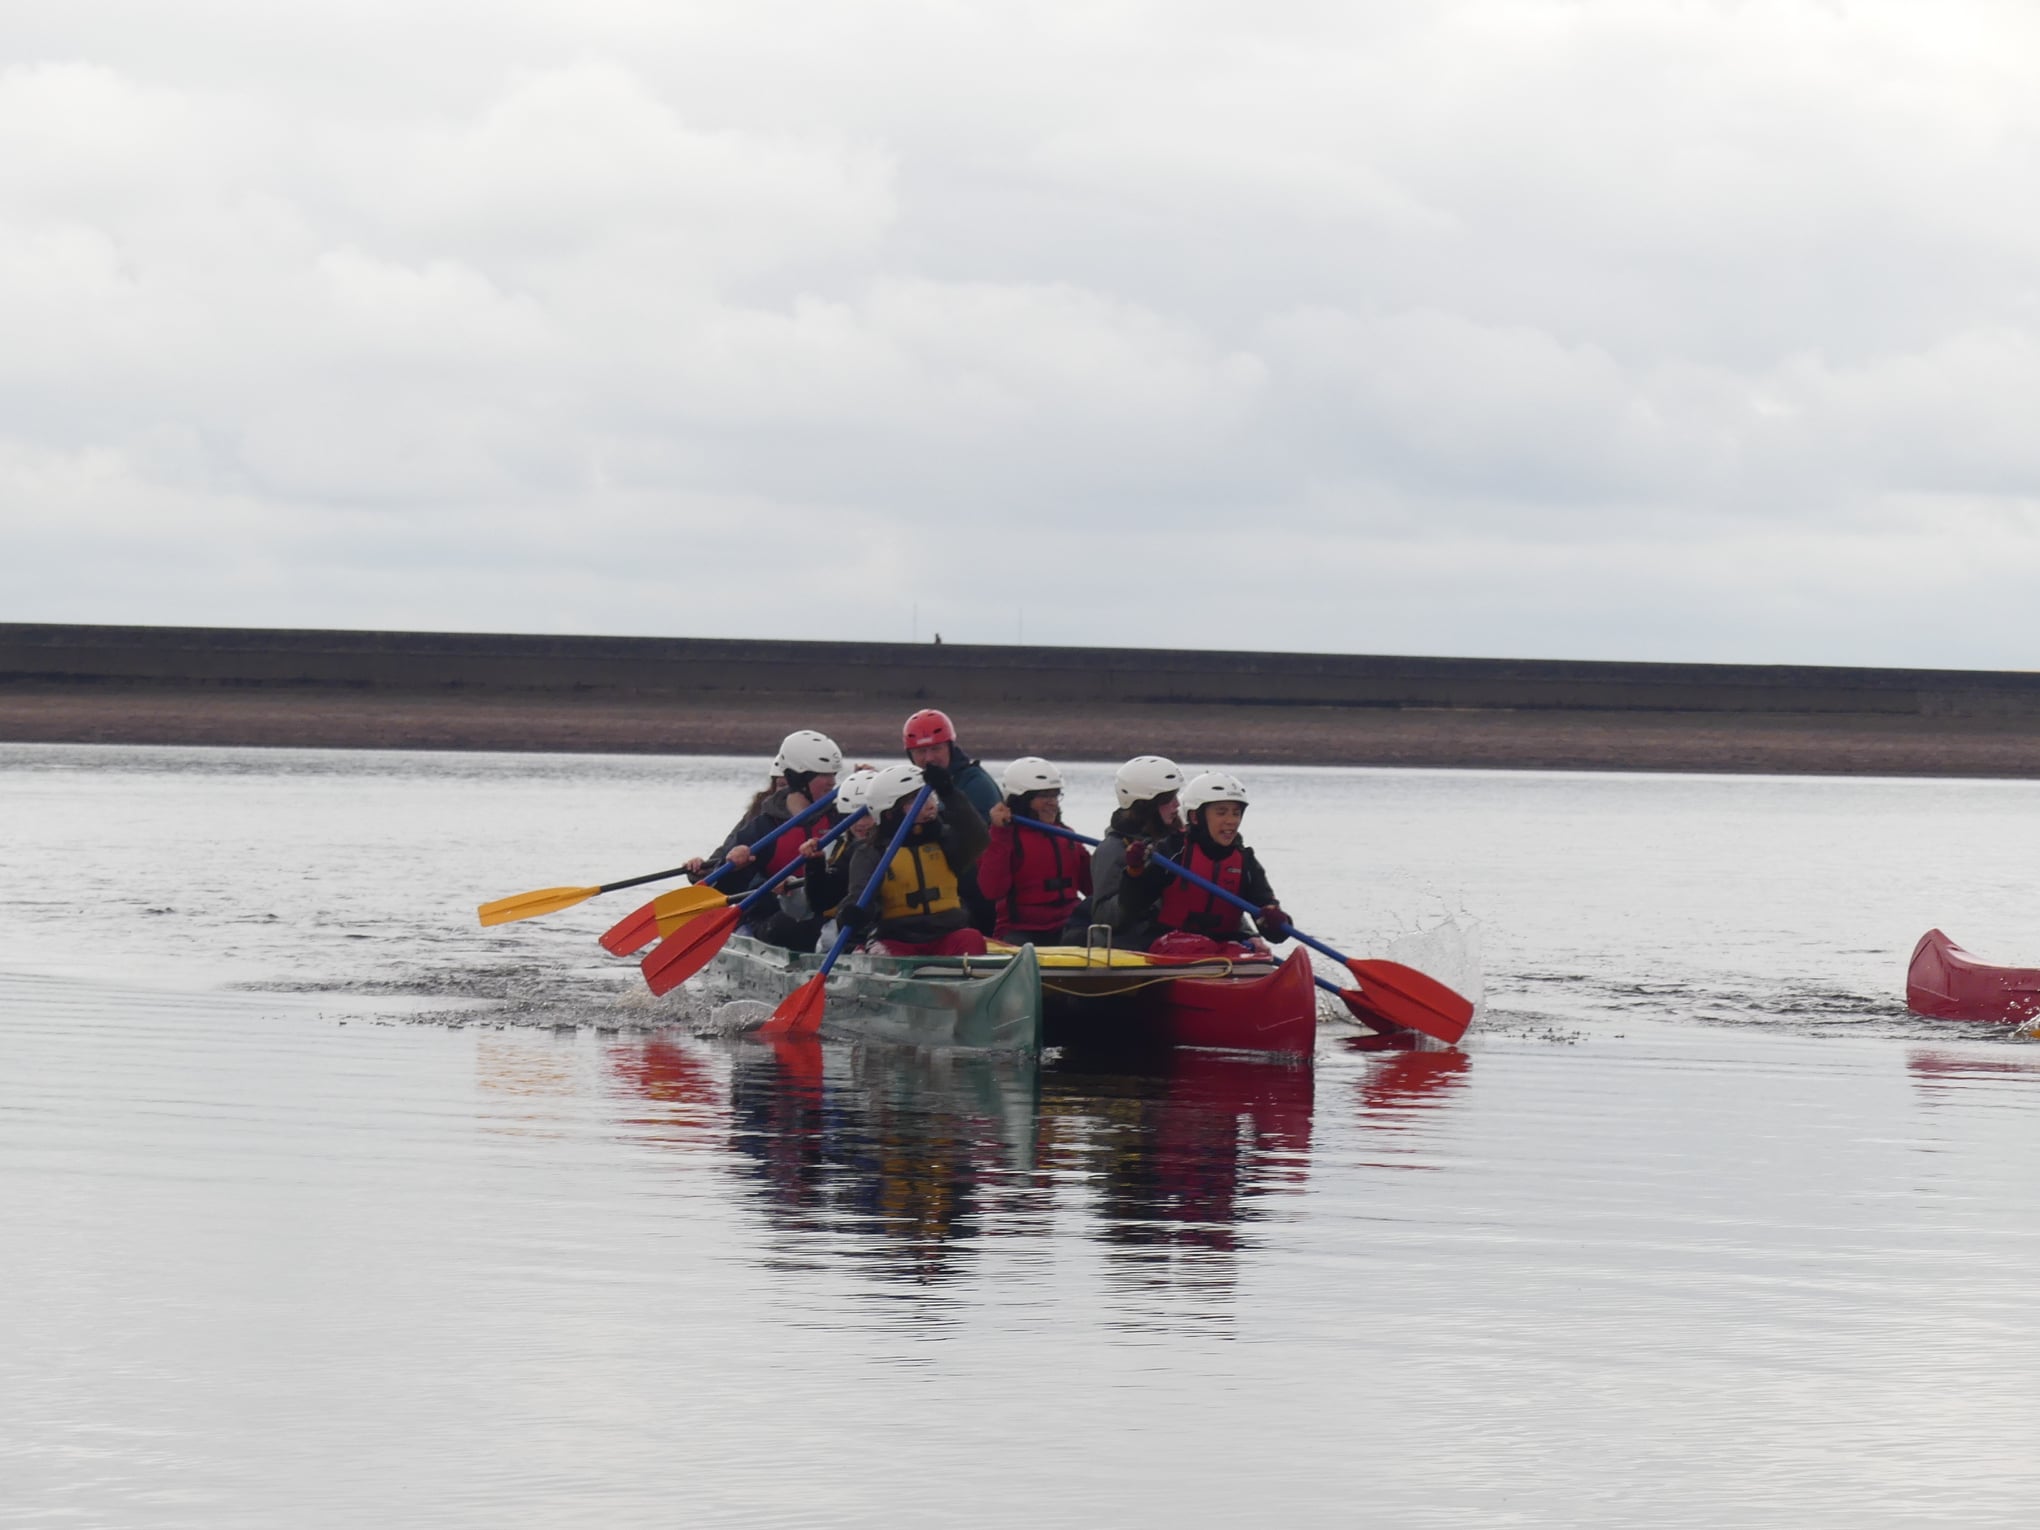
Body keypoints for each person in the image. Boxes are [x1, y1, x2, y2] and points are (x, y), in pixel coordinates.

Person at [687, 729, 843, 919]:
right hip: (776, 916)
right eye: (824, 775)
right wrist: (736, 867)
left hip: (833, 913)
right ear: (800, 778)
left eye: (833, 775)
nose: (832, 782)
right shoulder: (762, 827)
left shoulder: (843, 818)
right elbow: (724, 891)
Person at [842, 761, 991, 957]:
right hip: (897, 939)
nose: (929, 806)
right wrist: (853, 915)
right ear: (890, 813)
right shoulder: (871, 852)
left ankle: (966, 984)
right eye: (916, 801)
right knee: (883, 954)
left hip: (946, 934)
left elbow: (978, 837)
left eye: (929, 797)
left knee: (971, 939)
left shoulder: (945, 840)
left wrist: (949, 792)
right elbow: (859, 897)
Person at [1145, 770, 1289, 958]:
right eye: (1221, 812)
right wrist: (1135, 872)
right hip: (1171, 948)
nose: (1231, 821)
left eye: (1236, 813)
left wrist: (1275, 921)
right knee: (1199, 947)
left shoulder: (1246, 861)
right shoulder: (1171, 851)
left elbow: (1276, 933)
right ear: (1196, 817)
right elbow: (1131, 902)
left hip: (1222, 950)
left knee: (1247, 953)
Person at [901, 708, 1001, 931]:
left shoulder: (977, 783)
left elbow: (977, 841)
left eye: (936, 749)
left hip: (974, 888)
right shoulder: (913, 787)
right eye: (921, 752)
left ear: (950, 747)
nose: (929, 759)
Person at [978, 756, 1092, 945]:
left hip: (1067, 926)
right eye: (1044, 796)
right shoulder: (1003, 839)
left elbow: (1092, 887)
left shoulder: (1067, 836)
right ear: (1022, 800)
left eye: (1055, 795)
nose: (1052, 802)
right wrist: (999, 833)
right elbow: (991, 891)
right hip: (1022, 932)